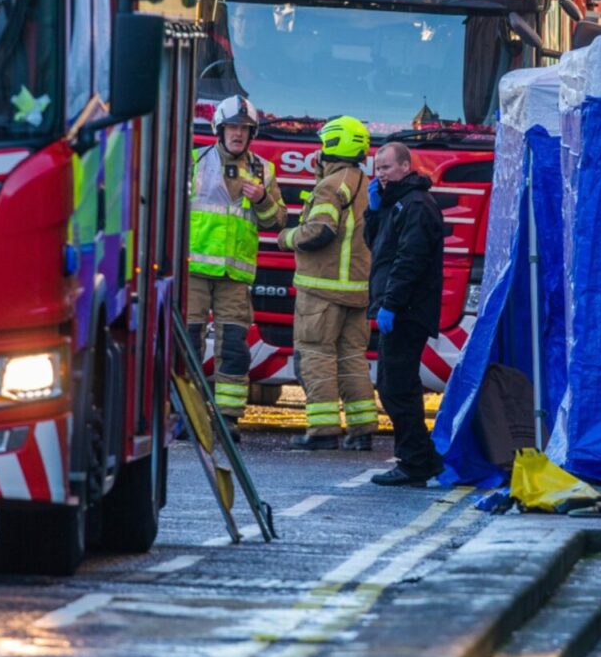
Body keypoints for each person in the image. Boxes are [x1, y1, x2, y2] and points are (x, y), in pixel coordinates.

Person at [278, 115, 378, 450]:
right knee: (351, 356)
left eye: (323, 144)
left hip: (321, 287)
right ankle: (362, 431)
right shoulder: (364, 182)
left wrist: (288, 236)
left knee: (315, 354)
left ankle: (322, 432)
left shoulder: (330, 186)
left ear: (333, 145)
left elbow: (320, 231)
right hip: (357, 289)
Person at [187, 96, 286, 422]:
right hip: (195, 271)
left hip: (235, 275)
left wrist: (262, 198)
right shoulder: (195, 162)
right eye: (232, 126)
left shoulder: (263, 171)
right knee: (187, 346)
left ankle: (228, 417)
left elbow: (277, 221)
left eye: (244, 128)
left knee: (233, 349)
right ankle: (186, 413)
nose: (238, 134)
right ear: (219, 128)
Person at [363, 141, 448, 486]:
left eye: (385, 167)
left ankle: (415, 462)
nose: (380, 174)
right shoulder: (396, 203)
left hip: (406, 310)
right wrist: (374, 211)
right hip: (400, 308)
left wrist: (392, 305)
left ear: (404, 167)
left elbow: (408, 262)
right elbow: (379, 247)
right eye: (377, 168)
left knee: (397, 387)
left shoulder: (415, 205)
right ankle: (423, 458)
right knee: (394, 385)